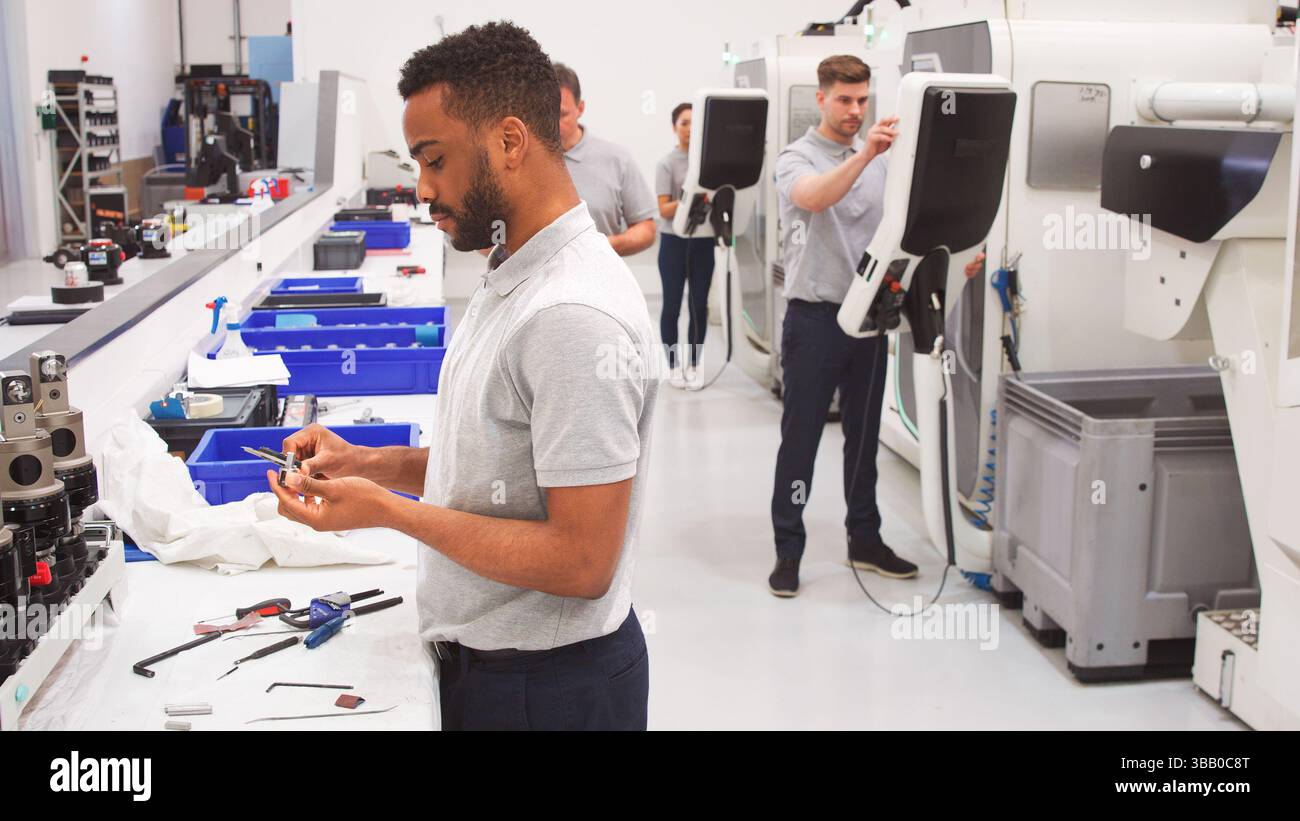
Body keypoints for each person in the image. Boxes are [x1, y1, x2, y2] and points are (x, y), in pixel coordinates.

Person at [268, 21, 659, 731]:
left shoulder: (571, 313)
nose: (422, 188)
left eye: (434, 159)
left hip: (549, 691)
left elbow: (581, 560)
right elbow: (496, 472)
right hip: (498, 671)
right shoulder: (514, 265)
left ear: (510, 141)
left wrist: (386, 512)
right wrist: (371, 463)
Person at [767, 54, 983, 598]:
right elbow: (815, 198)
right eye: (844, 100)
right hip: (815, 320)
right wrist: (866, 153)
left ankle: (864, 538)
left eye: (863, 100)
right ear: (821, 98)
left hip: (869, 318)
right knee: (801, 442)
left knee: (864, 443)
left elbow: (909, 223)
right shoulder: (797, 157)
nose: (855, 110)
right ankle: (788, 551)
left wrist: (954, 259)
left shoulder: (887, 162)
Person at [553, 62, 657, 256]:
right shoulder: (520, 161)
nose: (551, 123)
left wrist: (608, 245)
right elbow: (493, 231)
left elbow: (646, 228)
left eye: (561, 114)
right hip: (537, 284)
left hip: (601, 280)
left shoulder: (617, 159)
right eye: (544, 114)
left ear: (580, 108)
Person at [654, 102, 714, 388]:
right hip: (673, 243)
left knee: (699, 305)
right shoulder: (667, 163)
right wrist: (693, 199)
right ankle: (674, 365)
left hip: (703, 242)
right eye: (684, 123)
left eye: (695, 123)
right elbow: (664, 209)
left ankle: (694, 364)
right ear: (674, 128)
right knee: (672, 307)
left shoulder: (709, 161)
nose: (690, 129)